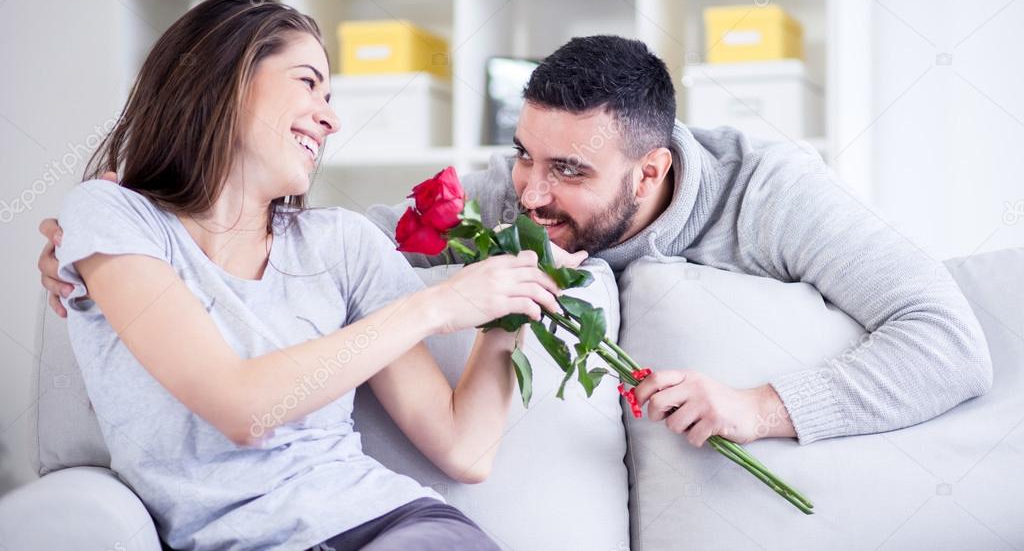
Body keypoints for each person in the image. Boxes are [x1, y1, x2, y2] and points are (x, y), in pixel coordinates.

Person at [39, 34, 993, 456]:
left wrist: (757, 404)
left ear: (652, 172)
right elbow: (327, 240)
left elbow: (947, 339)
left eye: (570, 173)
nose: (530, 193)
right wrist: (142, 234)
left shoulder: (775, 192)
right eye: (522, 155)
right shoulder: (509, 196)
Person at [37, 0, 566, 551]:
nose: (332, 117)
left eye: (331, 95)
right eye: (308, 82)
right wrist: (433, 307)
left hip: (400, 526)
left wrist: (513, 300)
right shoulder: (114, 217)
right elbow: (241, 407)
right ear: (224, 77)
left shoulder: (342, 243)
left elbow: (466, 448)